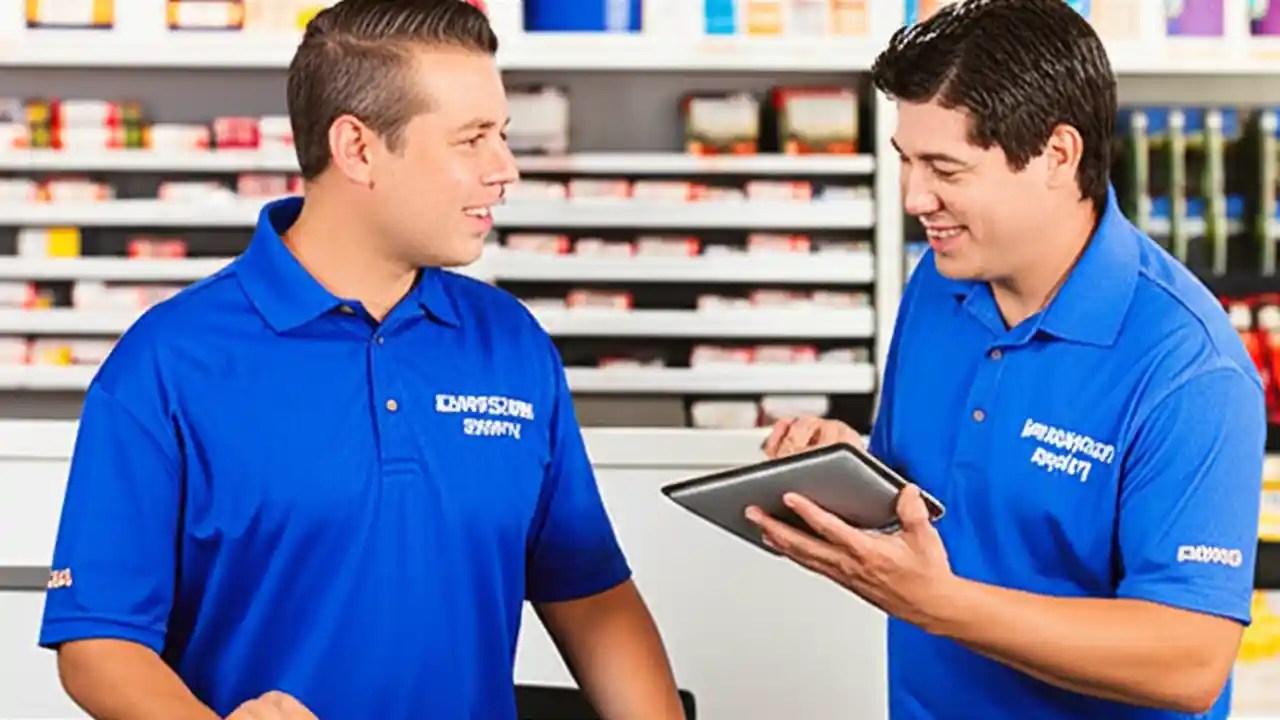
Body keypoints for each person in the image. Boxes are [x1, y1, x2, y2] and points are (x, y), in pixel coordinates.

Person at [37, 2, 686, 718]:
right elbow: (99, 645)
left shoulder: (511, 344)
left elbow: (590, 597)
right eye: (471, 140)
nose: (505, 170)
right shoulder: (168, 362)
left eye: (500, 135)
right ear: (357, 149)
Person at [752, 1, 1265, 718]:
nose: (913, 197)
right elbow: (929, 501)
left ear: (1058, 155)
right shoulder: (940, 282)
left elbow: (1189, 659)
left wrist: (941, 606)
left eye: (945, 168)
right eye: (907, 161)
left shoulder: (1188, 367)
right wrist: (847, 472)